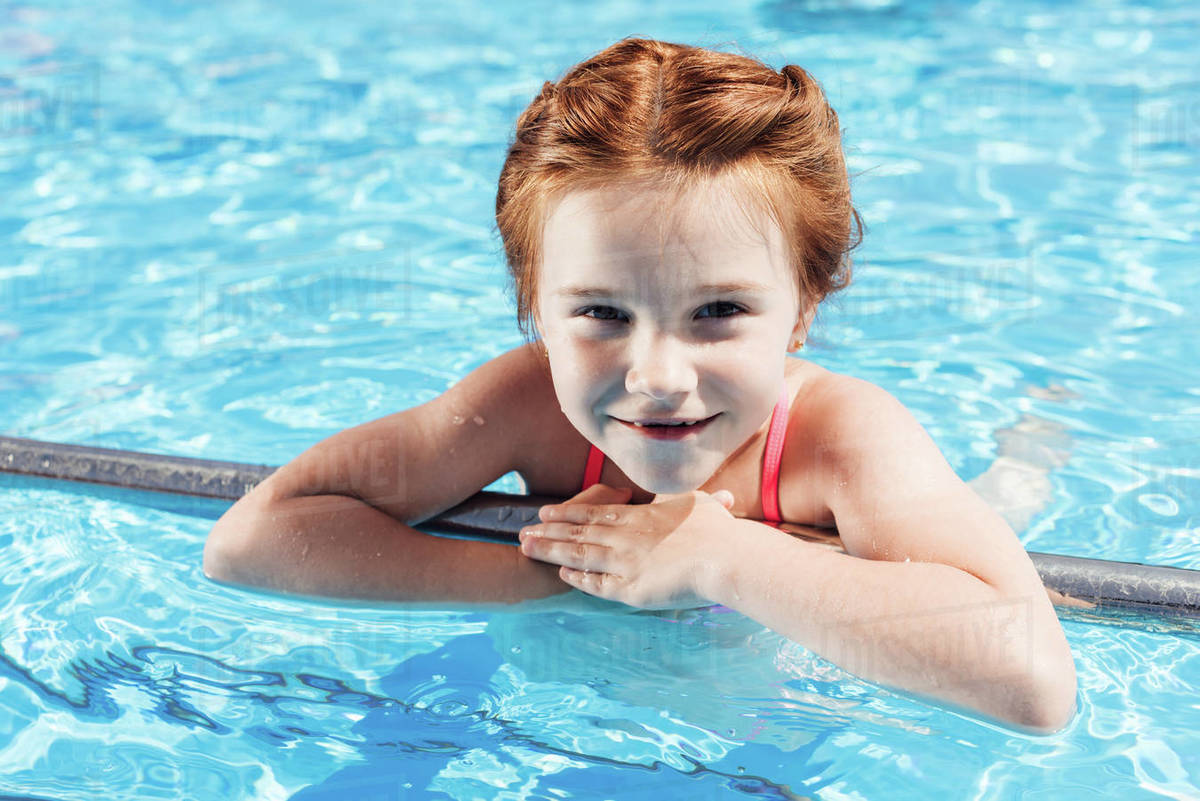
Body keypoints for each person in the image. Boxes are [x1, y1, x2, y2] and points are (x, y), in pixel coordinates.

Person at [202, 37, 1077, 733]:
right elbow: (253, 539)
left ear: (803, 311)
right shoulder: (528, 403)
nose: (658, 377)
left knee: (1002, 504)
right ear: (534, 306)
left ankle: (1027, 452)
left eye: (720, 309)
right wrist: (564, 574)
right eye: (601, 315)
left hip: (783, 705)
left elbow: (1032, 681)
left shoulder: (839, 437)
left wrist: (722, 557)